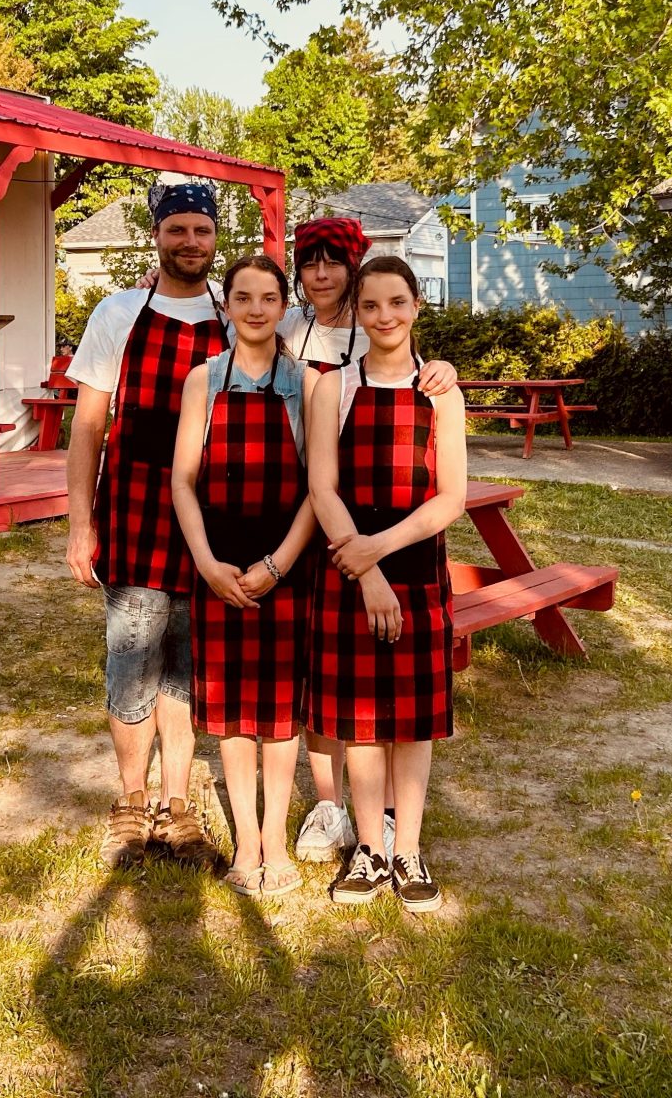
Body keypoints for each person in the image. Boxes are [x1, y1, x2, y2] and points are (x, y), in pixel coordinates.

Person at [281, 216, 459, 866]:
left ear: (414, 307)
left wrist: (377, 554)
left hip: (398, 556)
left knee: (408, 714)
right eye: (372, 304)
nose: (385, 315)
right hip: (327, 544)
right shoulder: (315, 362)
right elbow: (323, 487)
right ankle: (351, 829)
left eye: (398, 303)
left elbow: (451, 495)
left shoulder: (437, 389)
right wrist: (363, 566)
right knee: (340, 703)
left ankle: (399, 840)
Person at [66, 180, 230, 868]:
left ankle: (177, 802)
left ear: (217, 238)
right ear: (157, 236)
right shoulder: (119, 311)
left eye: (201, 231)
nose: (189, 242)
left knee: (185, 672)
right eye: (178, 230)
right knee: (133, 662)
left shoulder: (239, 309)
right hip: (133, 508)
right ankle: (131, 801)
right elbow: (88, 426)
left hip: (216, 517)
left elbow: (335, 334)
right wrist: (80, 521)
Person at [171, 254, 319, 897]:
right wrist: (206, 564)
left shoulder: (310, 383)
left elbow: (322, 487)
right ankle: (246, 844)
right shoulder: (202, 380)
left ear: (284, 306)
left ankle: (278, 844)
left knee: (281, 713)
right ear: (226, 305)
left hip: (287, 560)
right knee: (233, 713)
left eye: (268, 297)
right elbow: (182, 481)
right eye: (242, 297)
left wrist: (279, 564)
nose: (256, 308)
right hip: (219, 564)